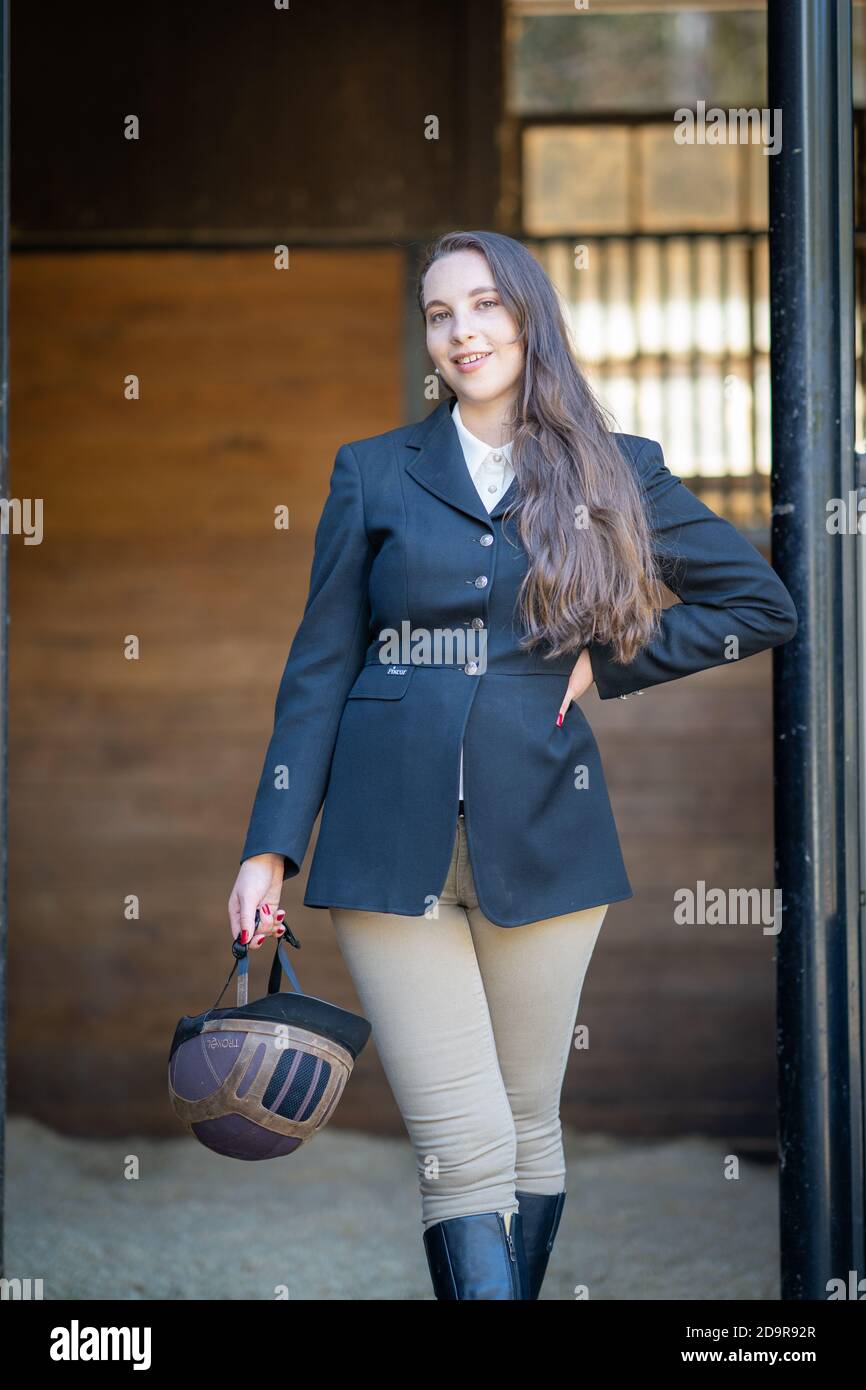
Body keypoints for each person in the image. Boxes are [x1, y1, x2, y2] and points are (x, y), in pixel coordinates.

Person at [227, 229, 799, 1301]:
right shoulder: (370, 471)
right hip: (381, 845)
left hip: (545, 836)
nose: (462, 330)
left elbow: (758, 605)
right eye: (439, 314)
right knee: (463, 1137)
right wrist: (269, 846)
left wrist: (605, 666)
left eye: (484, 305)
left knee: (528, 1123)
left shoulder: (614, 469)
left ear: (527, 316)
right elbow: (317, 671)